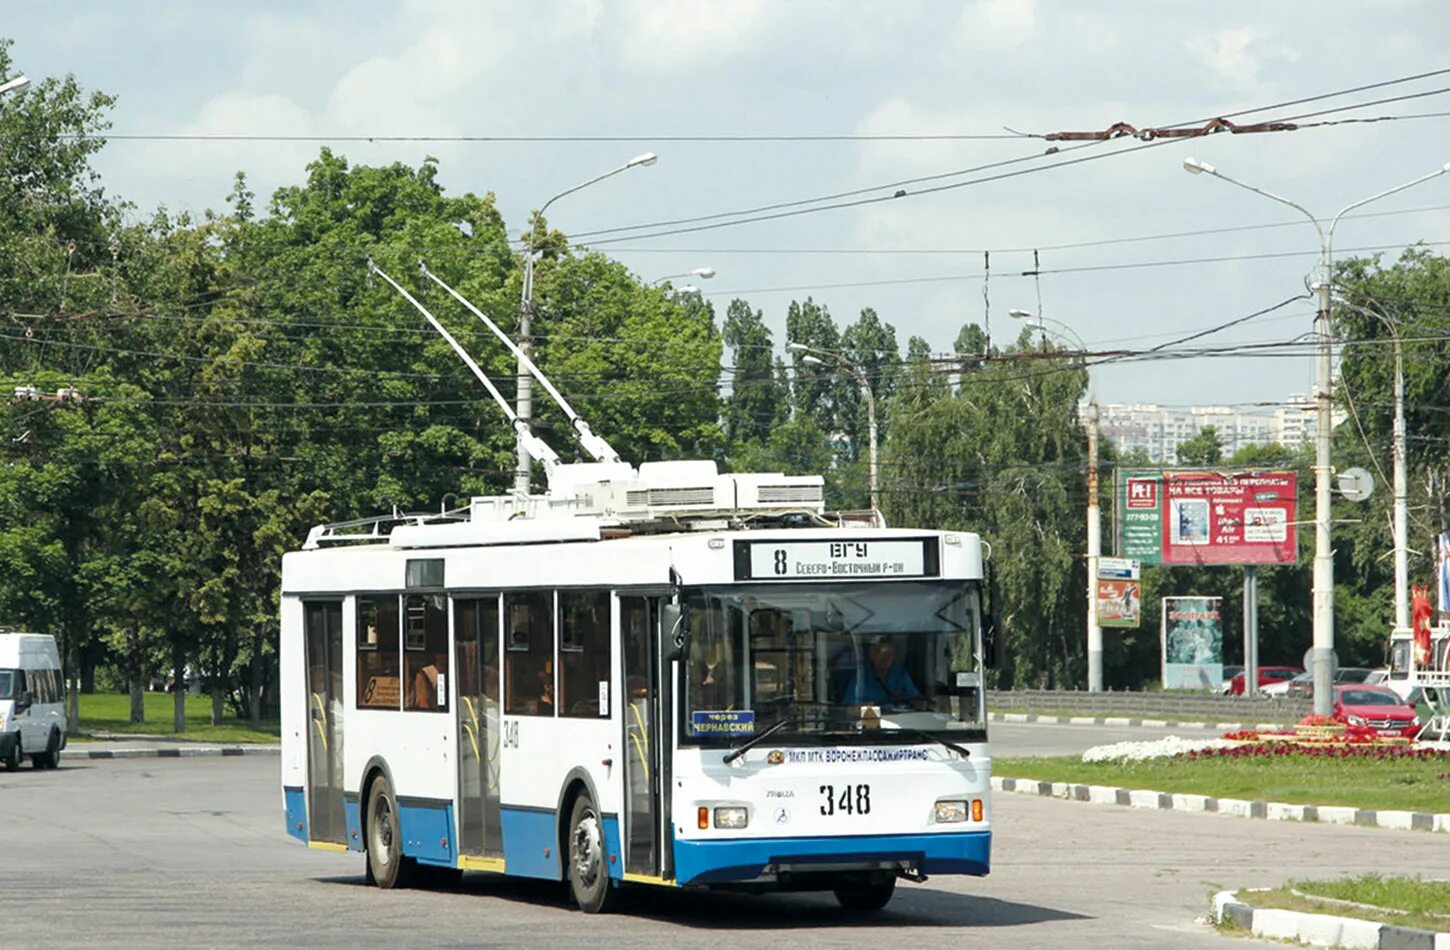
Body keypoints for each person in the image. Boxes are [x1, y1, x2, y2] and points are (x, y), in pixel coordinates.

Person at [845, 636, 929, 710]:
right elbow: (849, 710)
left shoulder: (900, 675)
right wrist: (867, 708)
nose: (887, 661)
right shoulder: (860, 678)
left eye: (890, 656)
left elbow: (916, 698)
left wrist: (921, 703)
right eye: (883, 657)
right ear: (872, 654)